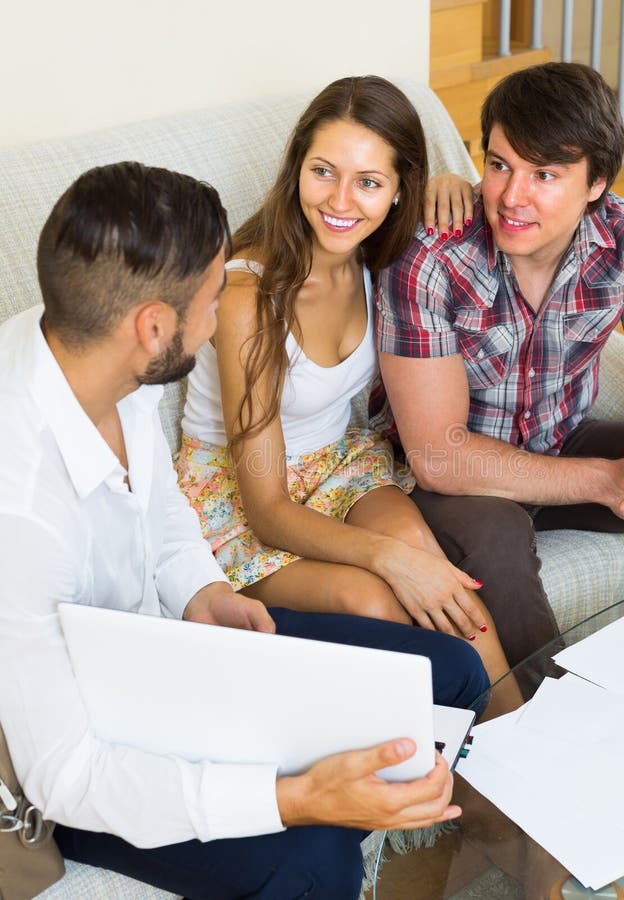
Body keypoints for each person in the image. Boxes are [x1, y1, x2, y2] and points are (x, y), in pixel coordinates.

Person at [0, 161, 489, 900]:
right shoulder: (21, 513)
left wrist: (201, 589)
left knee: (448, 675)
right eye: (211, 293)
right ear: (154, 327)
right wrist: (294, 798)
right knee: (313, 863)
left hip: (160, 652)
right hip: (85, 749)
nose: (224, 300)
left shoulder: (98, 353)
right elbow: (68, 776)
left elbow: (161, 509)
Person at [373, 62, 624, 636]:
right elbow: (439, 456)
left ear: (596, 184)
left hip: (559, 440)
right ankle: (542, 718)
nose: (511, 197)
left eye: (545, 175)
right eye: (500, 165)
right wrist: (605, 480)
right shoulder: (431, 256)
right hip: (450, 477)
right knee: (494, 539)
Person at [175, 75, 517, 686]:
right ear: (296, 167)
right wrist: (390, 560)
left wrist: (449, 183)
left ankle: (518, 751)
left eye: (368, 182)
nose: (339, 201)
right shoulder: (247, 300)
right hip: (242, 495)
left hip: (338, 460)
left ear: (397, 192)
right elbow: (268, 509)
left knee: (434, 574)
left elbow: (490, 208)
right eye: (323, 171)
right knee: (378, 600)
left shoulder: (380, 256)